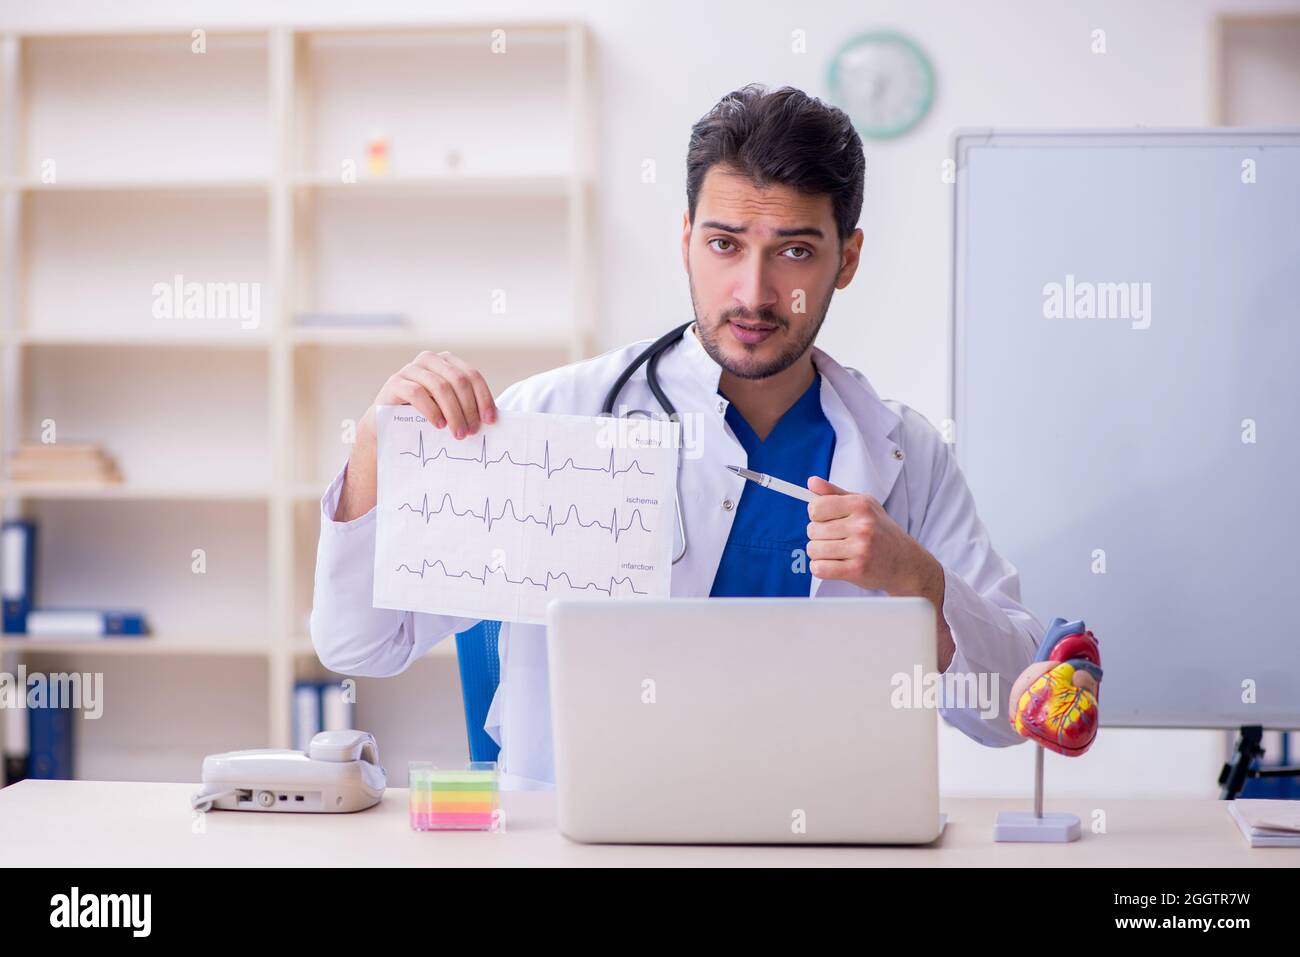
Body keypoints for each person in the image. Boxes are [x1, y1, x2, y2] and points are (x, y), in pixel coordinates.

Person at [311, 84, 1043, 788]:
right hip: (592, 838)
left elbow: (1013, 707)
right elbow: (361, 645)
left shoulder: (905, 455)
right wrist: (376, 444)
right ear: (686, 239)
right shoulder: (558, 417)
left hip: (824, 831)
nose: (753, 292)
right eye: (725, 244)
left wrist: (921, 582)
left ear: (845, 260)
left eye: (794, 251)